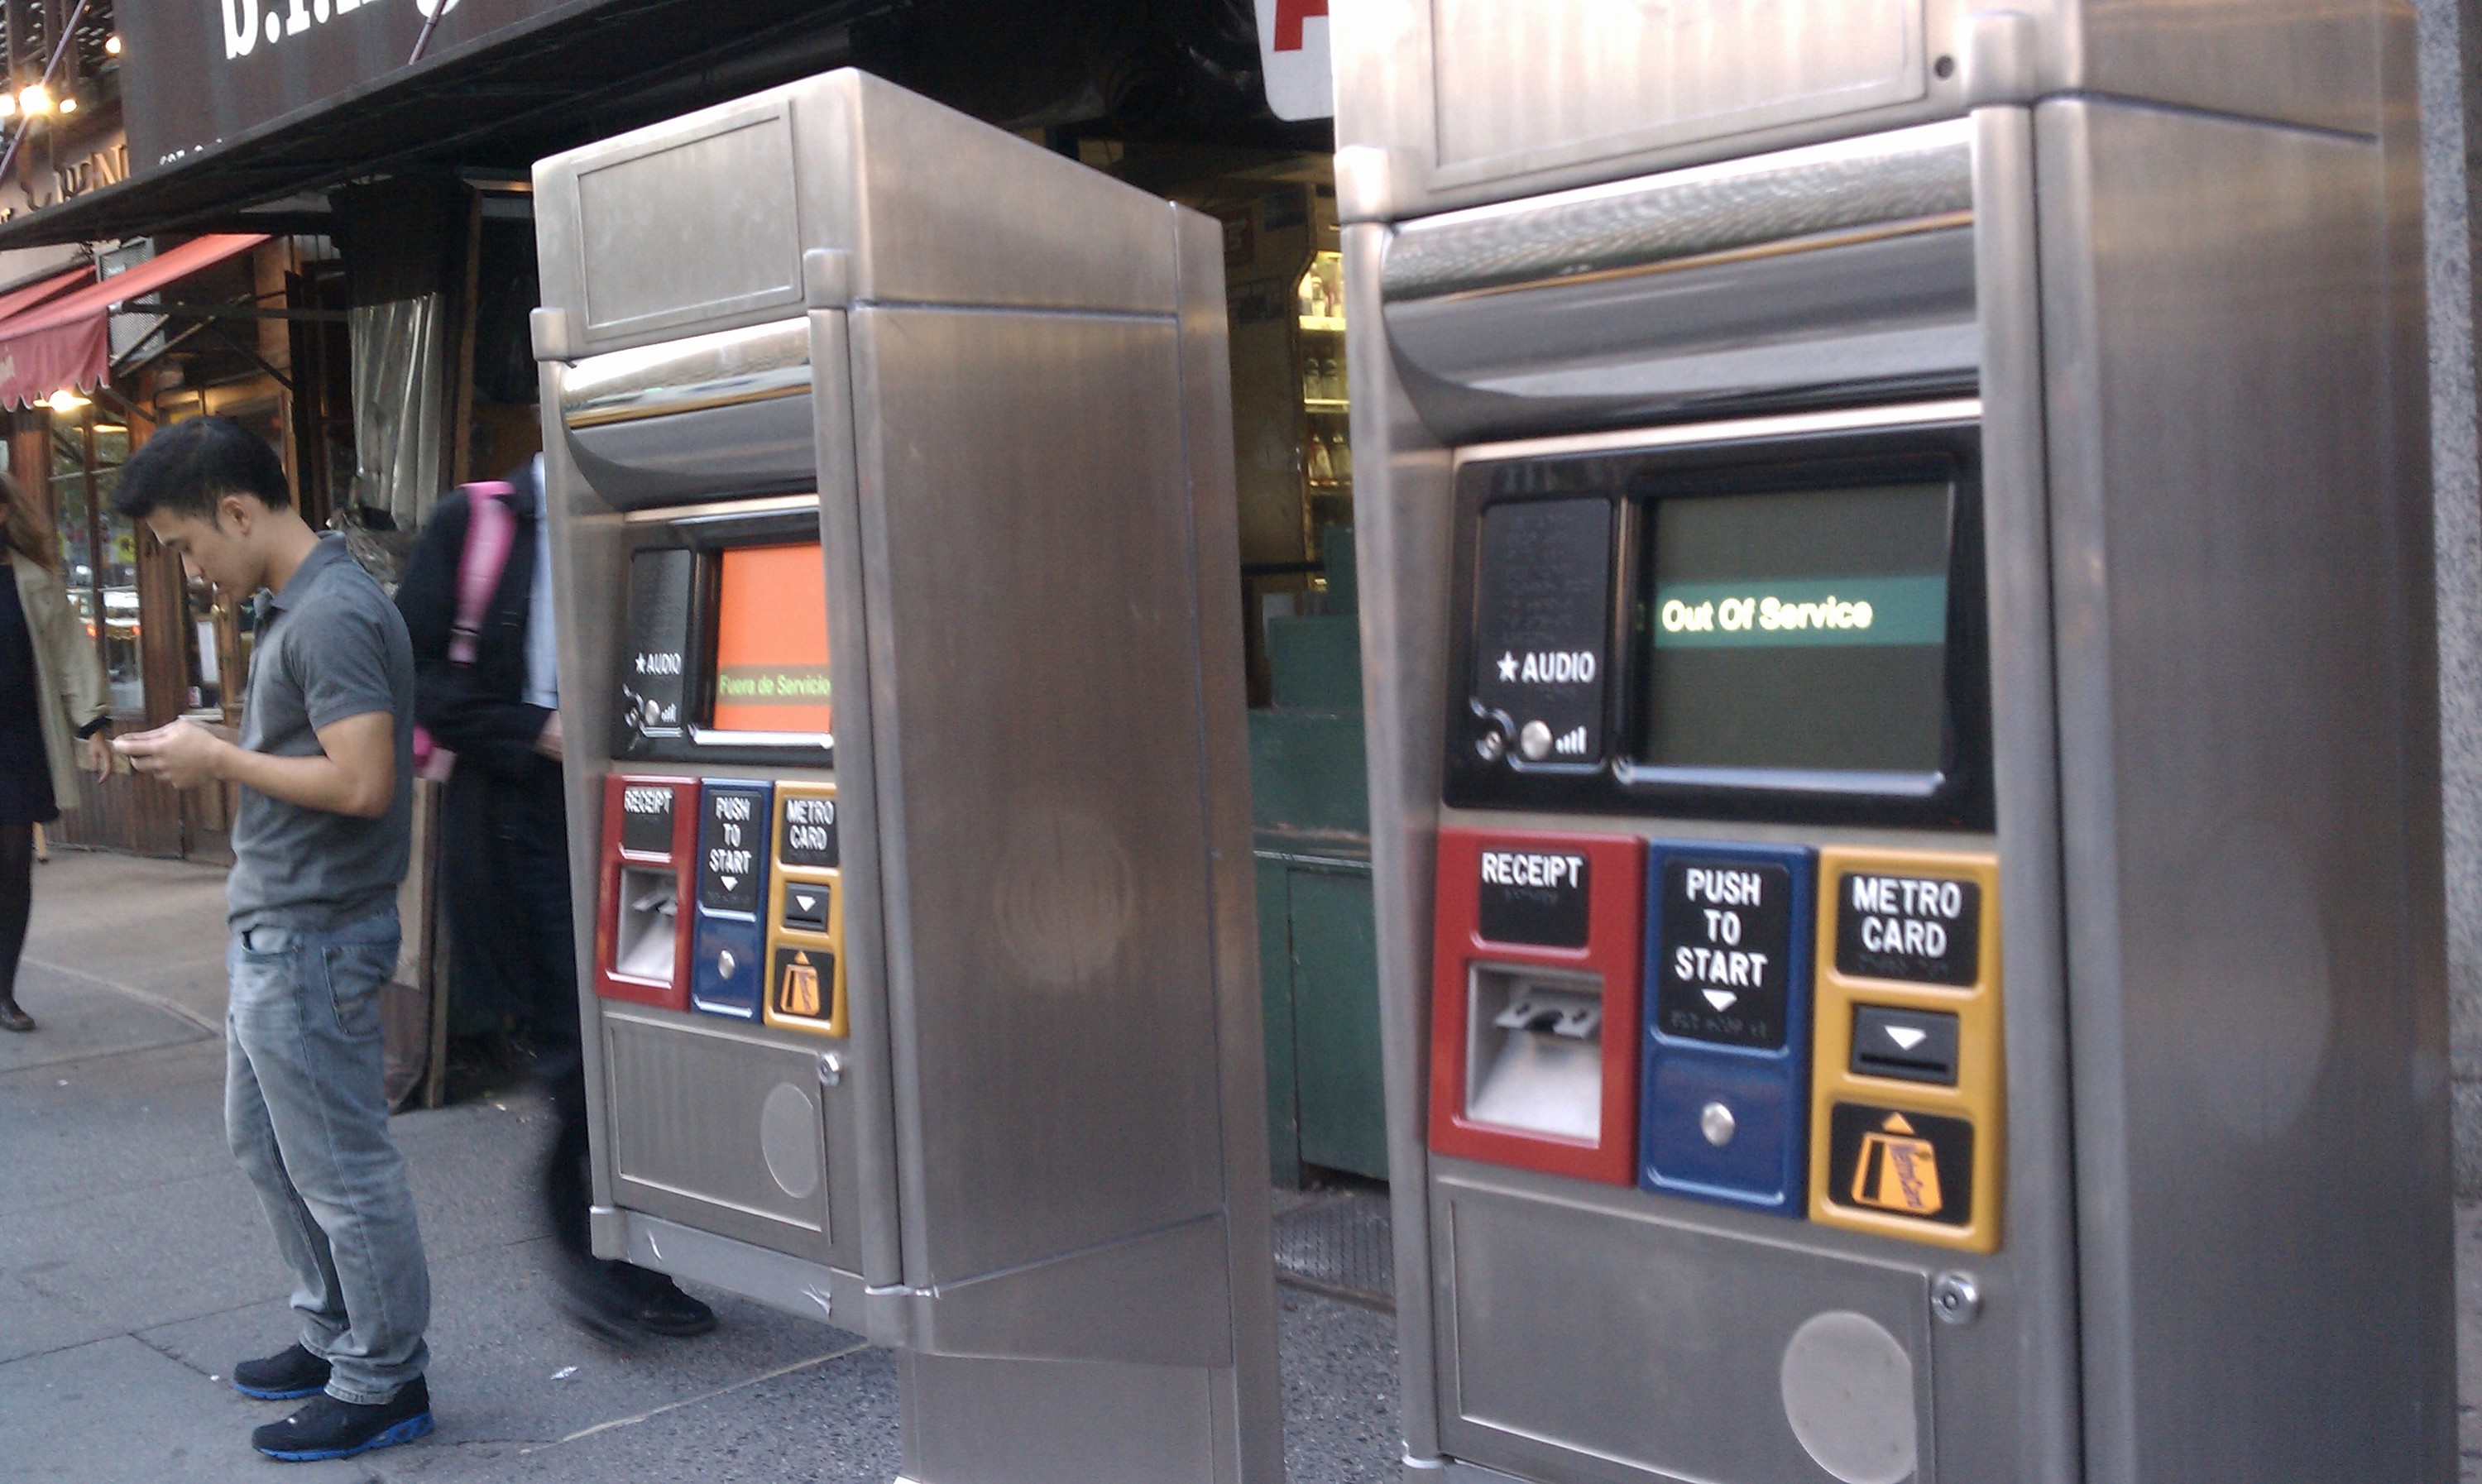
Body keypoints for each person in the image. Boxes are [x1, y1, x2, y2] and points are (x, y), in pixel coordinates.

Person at [109, 418, 434, 1463]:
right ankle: (337, 1333)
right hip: (282, 931)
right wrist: (215, 746)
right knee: (271, 1147)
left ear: (238, 512)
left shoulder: (333, 613)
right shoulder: (302, 606)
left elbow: (363, 781)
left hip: (315, 939)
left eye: (189, 545)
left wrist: (219, 762)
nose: (193, 569)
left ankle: (385, 1378)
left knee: (341, 1167)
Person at [395, 456, 715, 1342]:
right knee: (580, 1046)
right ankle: (597, 1258)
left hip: (651, 809)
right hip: (523, 819)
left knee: (645, 1025)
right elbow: (410, 669)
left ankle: (637, 1250)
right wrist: (534, 728)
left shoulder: (654, 510)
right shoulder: (479, 523)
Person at [0, 471, 110, 1032]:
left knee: (14, 863)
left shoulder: (33, 582)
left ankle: (5, 990)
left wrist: (93, 726)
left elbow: (71, 654)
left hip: (18, 741)